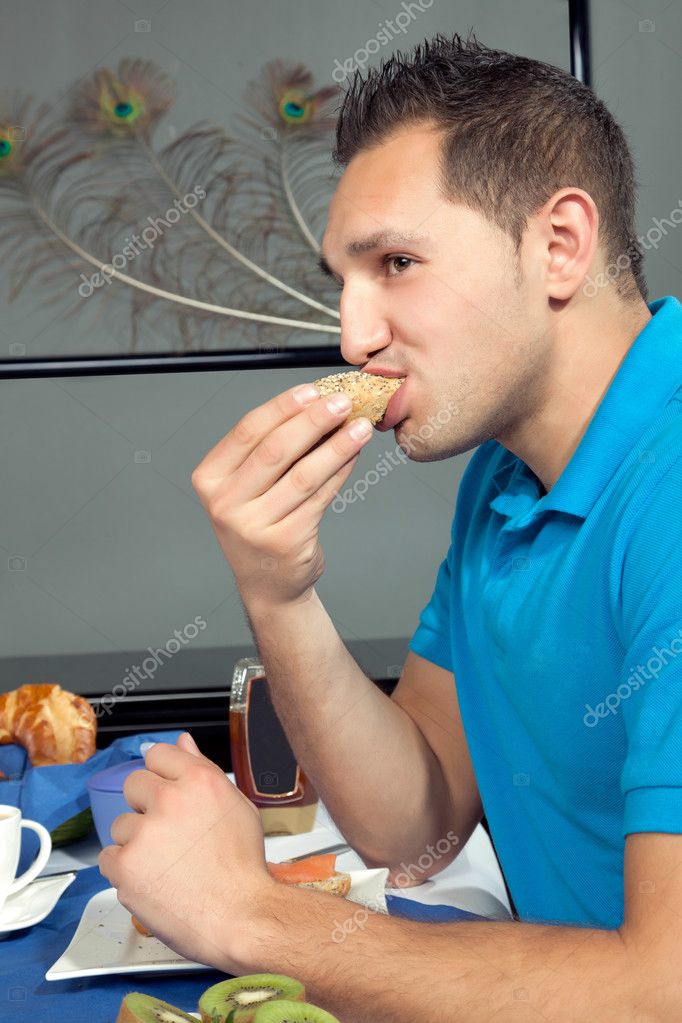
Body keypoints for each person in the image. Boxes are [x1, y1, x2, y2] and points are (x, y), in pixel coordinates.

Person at [100, 32, 682, 1021]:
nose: (353, 335)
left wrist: (245, 915)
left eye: (397, 263)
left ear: (559, 245)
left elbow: (660, 989)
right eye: (344, 280)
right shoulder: (505, 471)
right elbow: (415, 828)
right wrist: (276, 589)